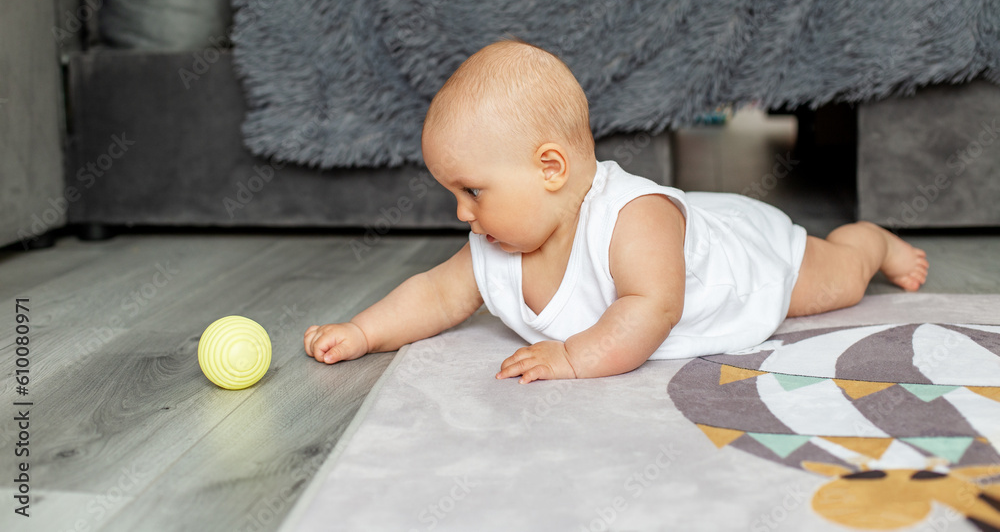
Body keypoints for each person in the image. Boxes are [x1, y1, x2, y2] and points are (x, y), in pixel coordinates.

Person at [304, 38, 929, 383]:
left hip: (738, 262)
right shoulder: (498, 243)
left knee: (838, 283)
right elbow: (434, 295)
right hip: (692, 231)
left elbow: (653, 306)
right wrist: (362, 333)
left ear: (551, 169)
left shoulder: (633, 219)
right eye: (454, 195)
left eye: (473, 191)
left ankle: (870, 241)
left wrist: (573, 356)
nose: (463, 214)